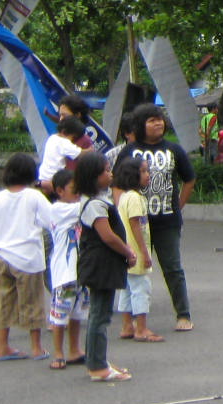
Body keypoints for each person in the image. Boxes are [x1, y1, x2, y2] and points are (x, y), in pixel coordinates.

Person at [115, 103, 196, 331]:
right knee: (134, 269)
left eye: (159, 119)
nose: (158, 123)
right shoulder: (129, 151)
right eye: (151, 120)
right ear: (141, 125)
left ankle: (183, 315)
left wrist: (178, 206)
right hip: (135, 223)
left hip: (167, 222)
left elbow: (189, 179)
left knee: (173, 268)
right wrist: (121, 210)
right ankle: (130, 320)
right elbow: (116, 183)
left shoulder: (174, 150)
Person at [0, 152, 54, 360]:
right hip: (27, 258)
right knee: (32, 302)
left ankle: (2, 346)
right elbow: (51, 220)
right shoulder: (34, 196)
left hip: (1, 256)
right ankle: (36, 347)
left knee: (4, 301)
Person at [74, 150, 133, 382]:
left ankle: (97, 360)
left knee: (100, 313)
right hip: (100, 264)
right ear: (93, 176)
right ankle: (97, 366)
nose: (111, 174)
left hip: (102, 263)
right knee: (100, 315)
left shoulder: (99, 200)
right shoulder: (94, 205)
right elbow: (107, 236)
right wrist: (127, 251)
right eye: (106, 171)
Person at [112, 158, 160, 342]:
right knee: (141, 288)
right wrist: (144, 252)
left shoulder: (125, 197)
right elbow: (135, 225)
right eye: (143, 171)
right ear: (132, 175)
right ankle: (141, 328)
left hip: (127, 252)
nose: (148, 175)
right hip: (136, 252)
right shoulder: (134, 198)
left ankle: (127, 326)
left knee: (127, 289)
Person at [46, 167, 88, 369]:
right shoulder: (58, 209)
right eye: (74, 189)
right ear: (60, 191)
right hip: (64, 272)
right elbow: (87, 206)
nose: (78, 192)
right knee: (60, 314)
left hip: (80, 271)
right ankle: (58, 352)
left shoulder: (77, 208)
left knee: (77, 313)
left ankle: (74, 350)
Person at [36, 98, 90, 197]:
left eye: (64, 115)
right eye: (60, 115)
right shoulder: (64, 137)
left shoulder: (82, 140)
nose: (61, 119)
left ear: (77, 115)